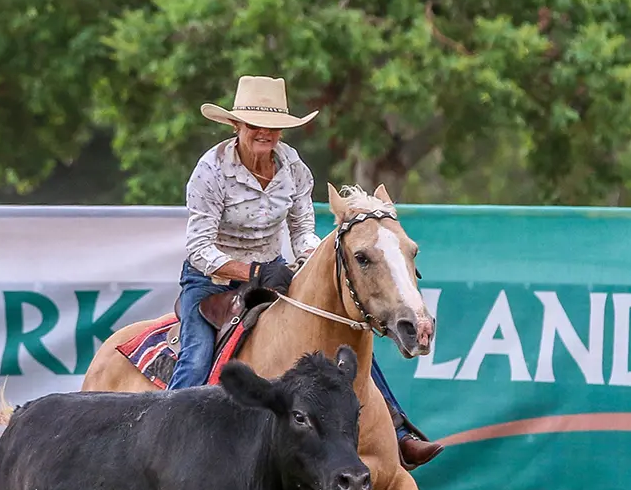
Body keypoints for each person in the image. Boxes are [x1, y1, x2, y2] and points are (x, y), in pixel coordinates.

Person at [169, 74, 443, 469]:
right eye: (254, 125)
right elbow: (199, 249)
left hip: (277, 274)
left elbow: (301, 232)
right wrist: (254, 271)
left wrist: (309, 264)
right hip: (212, 281)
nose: (264, 133)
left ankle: (398, 433)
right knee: (195, 358)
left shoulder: (293, 167)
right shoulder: (210, 171)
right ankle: (175, 440)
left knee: (349, 335)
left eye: (272, 127)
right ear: (236, 126)